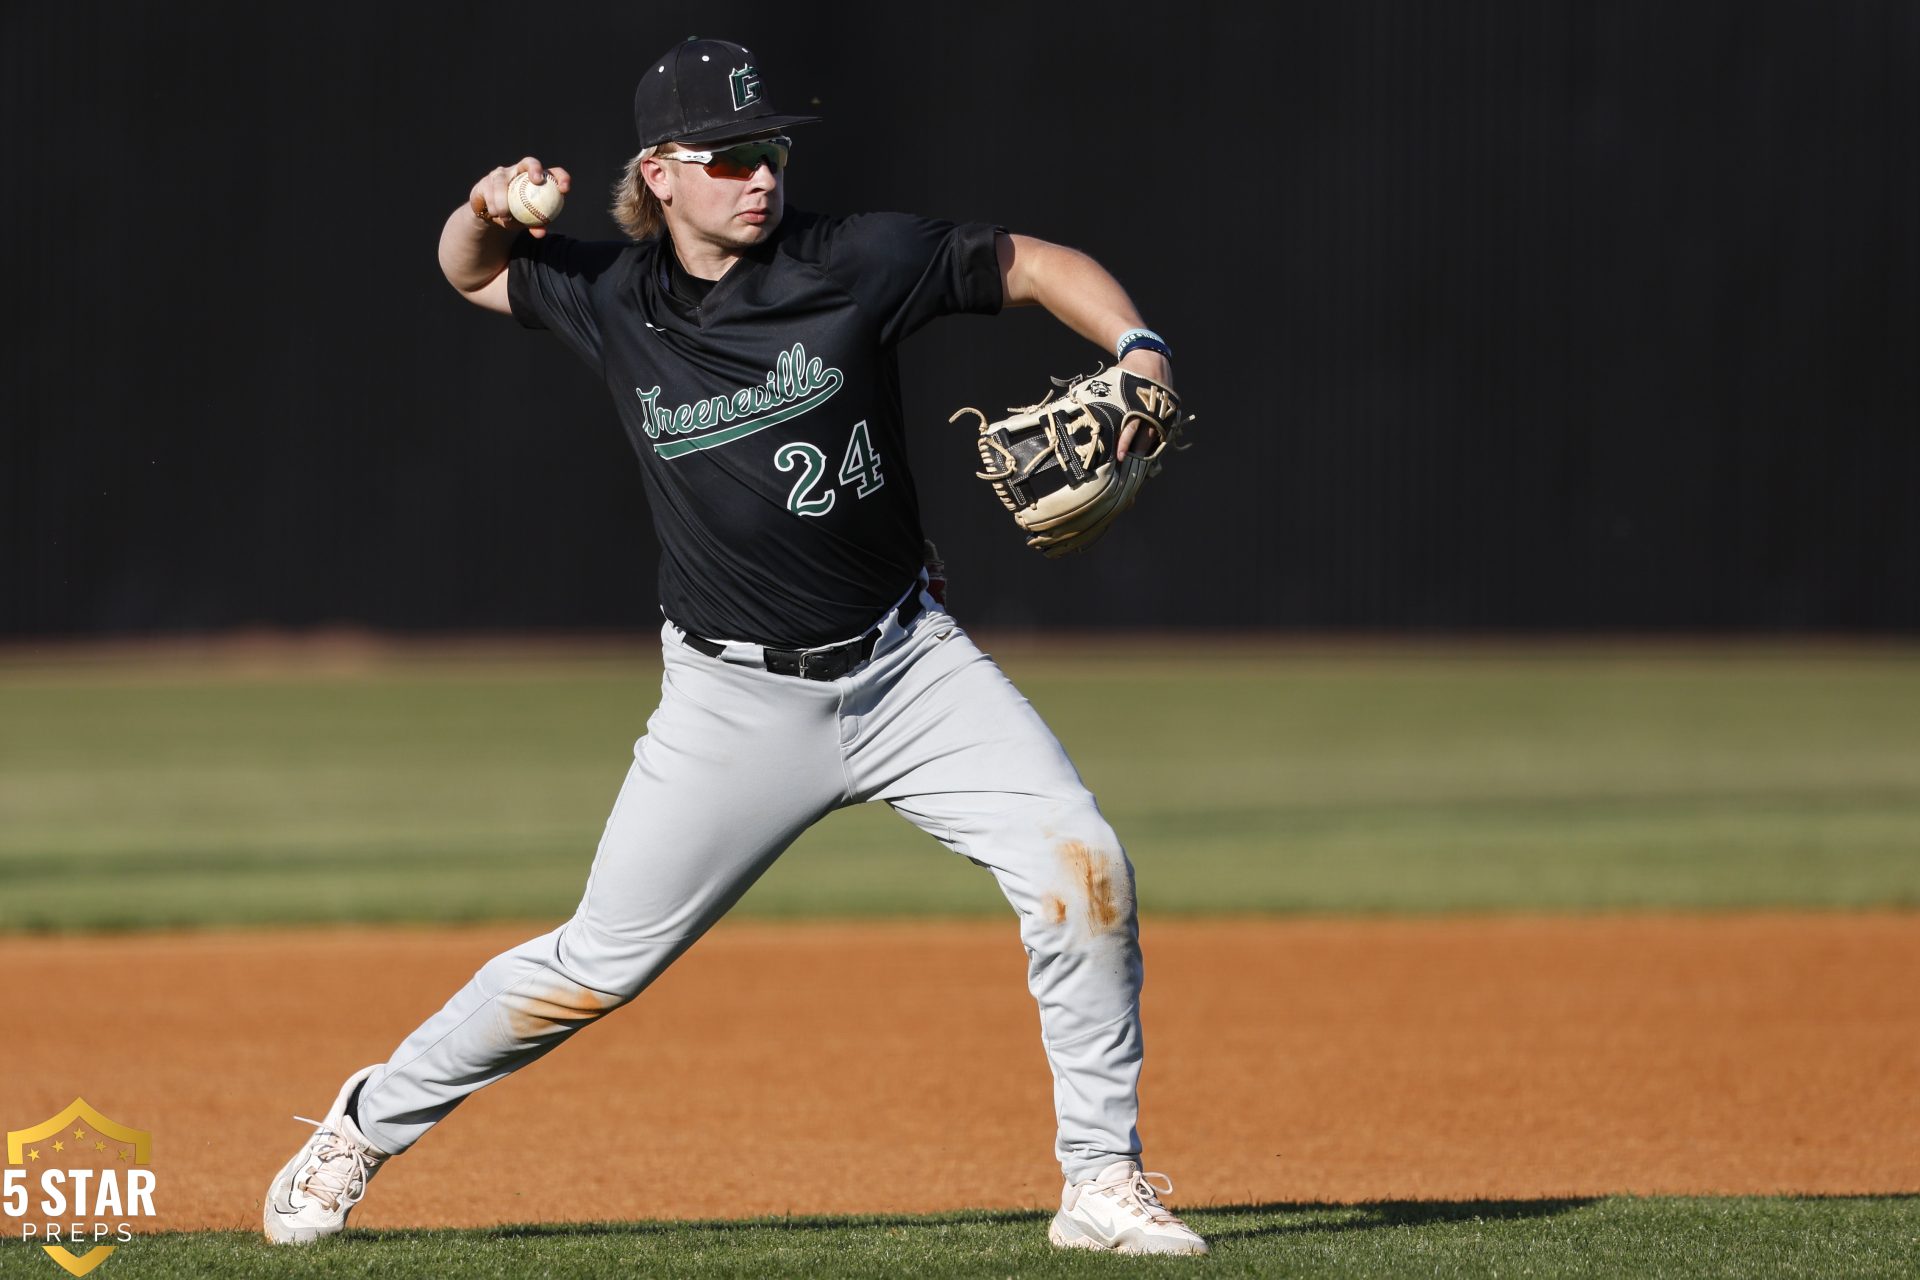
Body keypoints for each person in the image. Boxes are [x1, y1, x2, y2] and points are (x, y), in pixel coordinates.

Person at [262, 36, 1204, 1257]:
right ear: (660, 173)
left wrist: (1139, 348)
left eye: (770, 150)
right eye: (729, 156)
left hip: (907, 667)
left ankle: (1101, 1181)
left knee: (1084, 864)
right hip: (731, 701)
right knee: (592, 967)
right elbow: (467, 270)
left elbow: (1032, 264)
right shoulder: (612, 296)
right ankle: (364, 1119)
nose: (761, 175)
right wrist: (484, 203)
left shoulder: (853, 258)